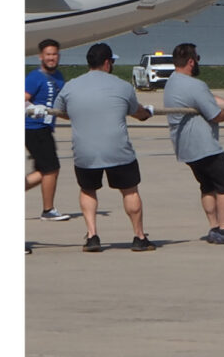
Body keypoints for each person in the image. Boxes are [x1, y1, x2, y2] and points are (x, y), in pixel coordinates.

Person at [55, 39, 158, 252]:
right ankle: (139, 236)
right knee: (130, 191)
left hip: (85, 151)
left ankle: (92, 235)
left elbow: (61, 112)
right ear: (107, 63)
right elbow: (137, 112)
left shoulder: (70, 86)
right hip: (118, 150)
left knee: (88, 190)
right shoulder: (123, 86)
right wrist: (146, 113)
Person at [163, 43, 224, 244]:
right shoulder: (194, 85)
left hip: (185, 146)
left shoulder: (173, 82)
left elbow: (209, 99)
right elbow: (216, 114)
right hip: (203, 145)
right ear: (191, 61)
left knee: (207, 186)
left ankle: (214, 227)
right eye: (197, 58)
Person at [25, 38, 73, 222]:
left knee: (44, 172)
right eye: (48, 55)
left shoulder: (59, 77)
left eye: (54, 54)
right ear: (41, 57)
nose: (51, 58)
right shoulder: (35, 77)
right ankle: (48, 210)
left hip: (46, 128)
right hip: (33, 128)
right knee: (51, 169)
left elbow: (58, 107)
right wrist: (32, 106)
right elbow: (23, 98)